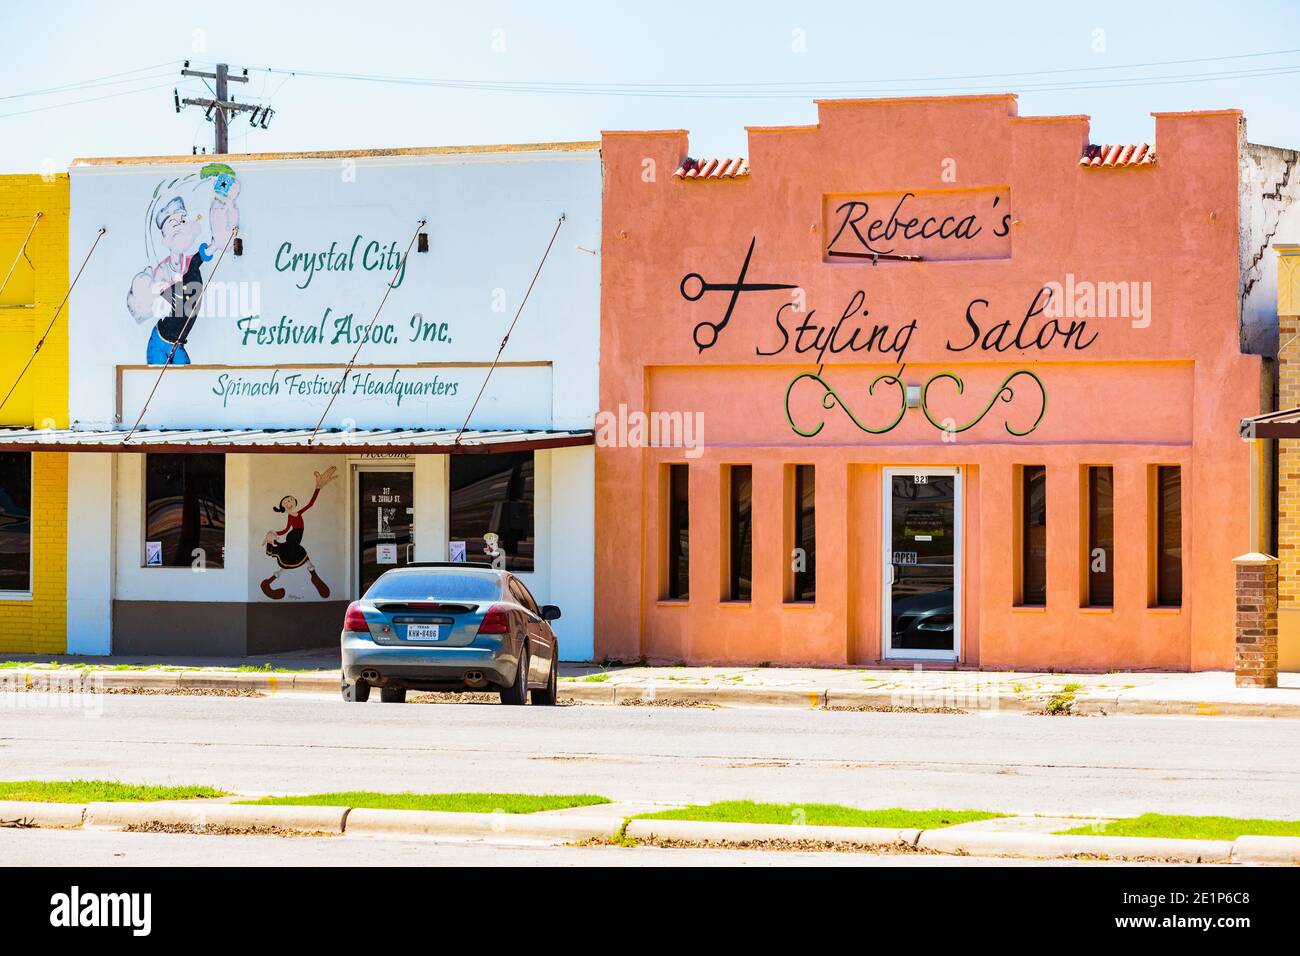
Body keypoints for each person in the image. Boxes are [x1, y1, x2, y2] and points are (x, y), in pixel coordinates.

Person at [127, 164, 240, 365]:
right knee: (157, 381)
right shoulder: (163, 272)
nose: (183, 227)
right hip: (159, 342)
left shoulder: (190, 266)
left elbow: (203, 255)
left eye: (183, 221)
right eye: (175, 224)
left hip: (177, 345)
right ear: (165, 238)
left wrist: (219, 239)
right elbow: (151, 298)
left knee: (186, 377)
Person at [261, 467, 338, 600]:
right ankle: (313, 574)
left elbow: (311, 504)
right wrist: (274, 532)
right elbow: (286, 529)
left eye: (290, 500)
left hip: (296, 538)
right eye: (286, 502)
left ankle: (270, 581)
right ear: (283, 507)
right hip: (293, 538)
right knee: (300, 553)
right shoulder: (290, 516)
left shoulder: (299, 512)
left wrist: (318, 487)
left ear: (294, 502)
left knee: (290, 559)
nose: (289, 502)